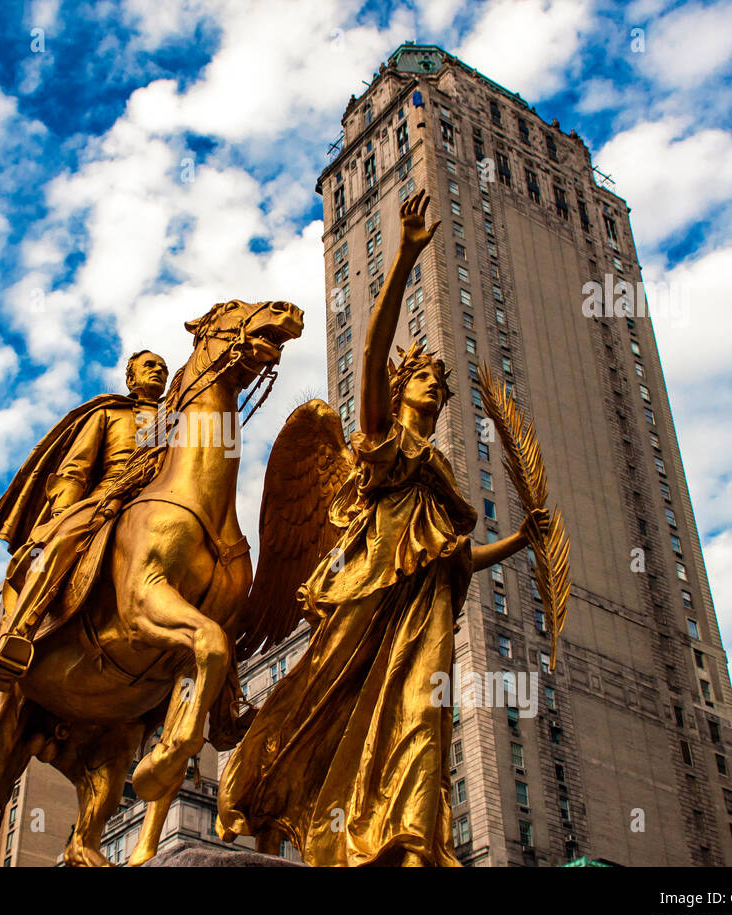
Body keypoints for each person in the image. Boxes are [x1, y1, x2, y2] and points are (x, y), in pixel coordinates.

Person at [215, 191, 549, 865]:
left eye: (439, 384)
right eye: (423, 377)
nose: (433, 386)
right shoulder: (381, 443)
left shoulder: (441, 471)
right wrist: (405, 256)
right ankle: (267, 781)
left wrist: (521, 541)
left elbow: (451, 558)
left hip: (425, 605)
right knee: (323, 702)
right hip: (367, 601)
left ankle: (413, 846)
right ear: (401, 392)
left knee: (425, 716)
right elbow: (371, 352)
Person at [0, 350, 168, 695]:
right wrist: (62, 513)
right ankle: (19, 630)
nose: (159, 371)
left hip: (163, 499)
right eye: (150, 366)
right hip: (109, 495)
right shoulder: (109, 413)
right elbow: (75, 469)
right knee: (68, 536)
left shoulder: (183, 421)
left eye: (164, 368)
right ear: (131, 379)